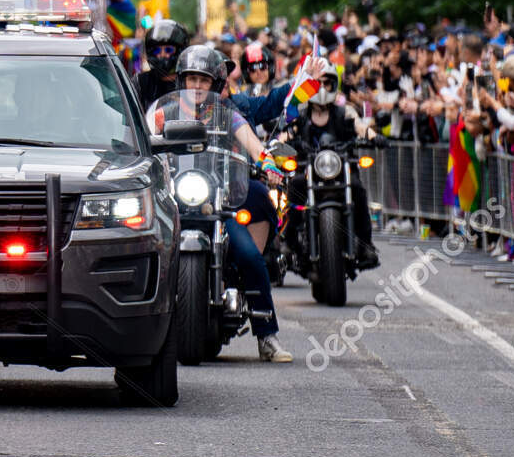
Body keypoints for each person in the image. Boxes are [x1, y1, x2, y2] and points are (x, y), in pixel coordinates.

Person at [148, 45, 293, 363]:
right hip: (174, 203)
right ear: (182, 81)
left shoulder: (227, 114)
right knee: (144, 252)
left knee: (249, 256)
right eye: (192, 79)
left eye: (203, 80)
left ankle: (267, 336)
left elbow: (249, 139)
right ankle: (137, 333)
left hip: (217, 204)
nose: (197, 86)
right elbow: (145, 140)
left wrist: (266, 161)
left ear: (214, 83)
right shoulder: (163, 113)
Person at [280, 77, 381, 269]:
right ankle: (289, 241)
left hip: (341, 171)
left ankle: (365, 244)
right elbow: (288, 133)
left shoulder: (344, 112)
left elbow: (360, 127)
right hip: (310, 171)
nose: (322, 88)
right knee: (295, 186)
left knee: (358, 189)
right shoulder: (302, 114)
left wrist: (375, 137)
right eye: (318, 83)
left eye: (326, 83)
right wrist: (280, 141)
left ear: (334, 85)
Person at [134, 19, 190, 109]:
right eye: (157, 50)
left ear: (180, 51)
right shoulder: (140, 82)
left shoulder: (190, 82)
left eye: (168, 50)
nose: (162, 54)